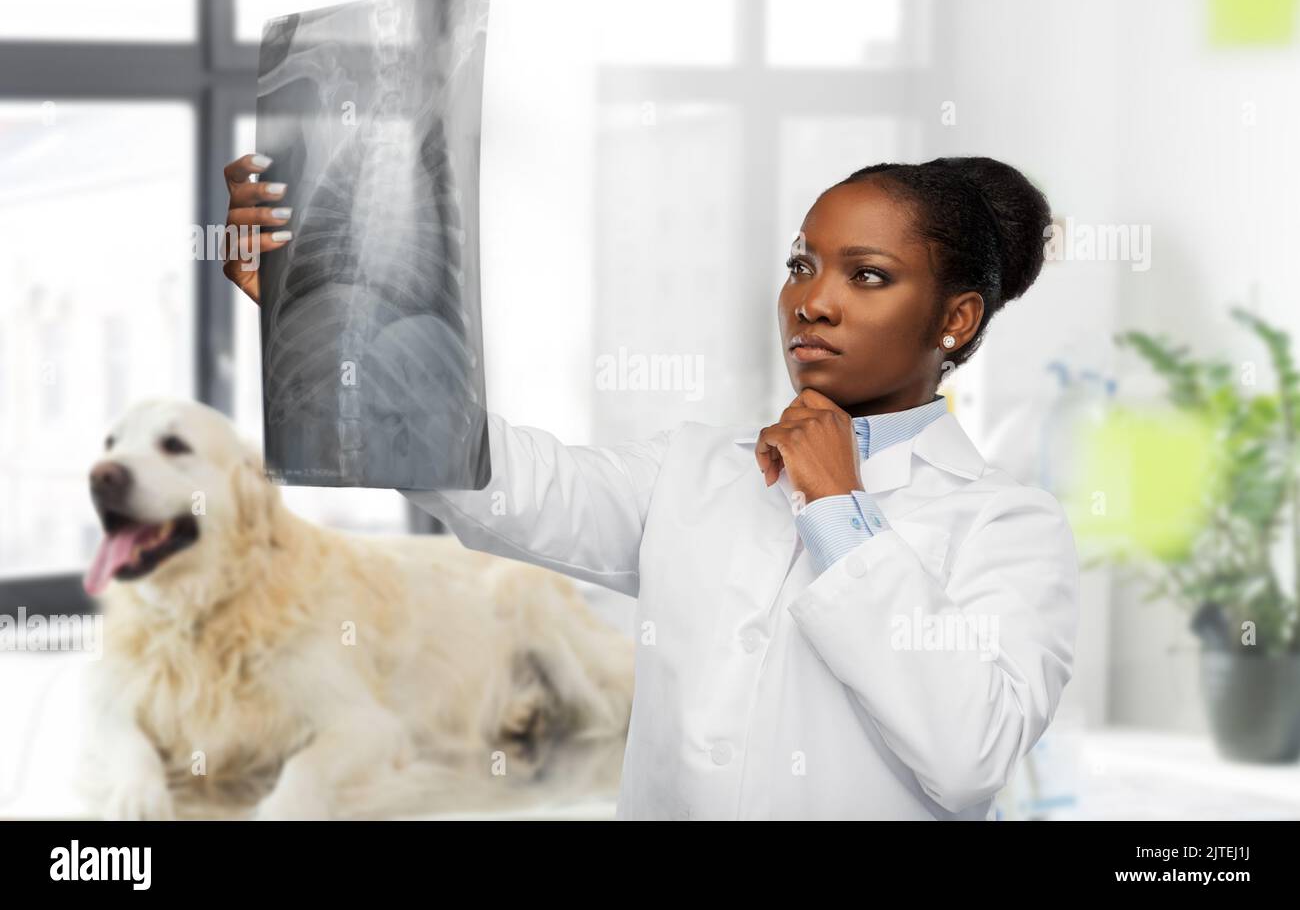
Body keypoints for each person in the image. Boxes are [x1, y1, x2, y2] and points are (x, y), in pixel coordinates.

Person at [221, 152, 1080, 820]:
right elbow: (509, 483)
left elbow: (971, 755)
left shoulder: (1006, 524)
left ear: (956, 320)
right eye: (800, 265)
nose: (811, 303)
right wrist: (322, 320)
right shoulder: (697, 468)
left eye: (866, 275)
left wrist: (838, 512)